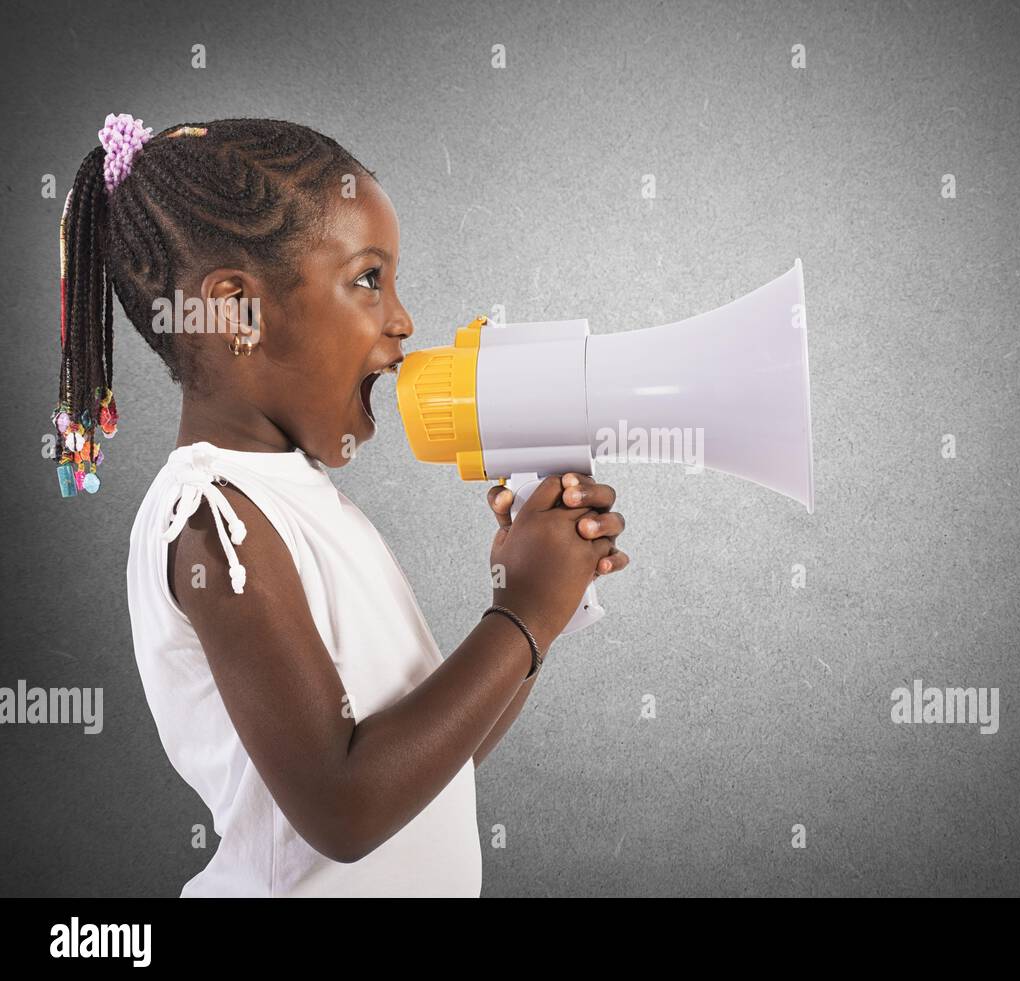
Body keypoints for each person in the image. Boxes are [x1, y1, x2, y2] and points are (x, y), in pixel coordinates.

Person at [53, 113, 628, 896]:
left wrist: (541, 613)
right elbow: (346, 807)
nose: (403, 319)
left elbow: (429, 772)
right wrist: (520, 614)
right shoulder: (216, 520)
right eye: (368, 279)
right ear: (236, 311)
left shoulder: (302, 500)